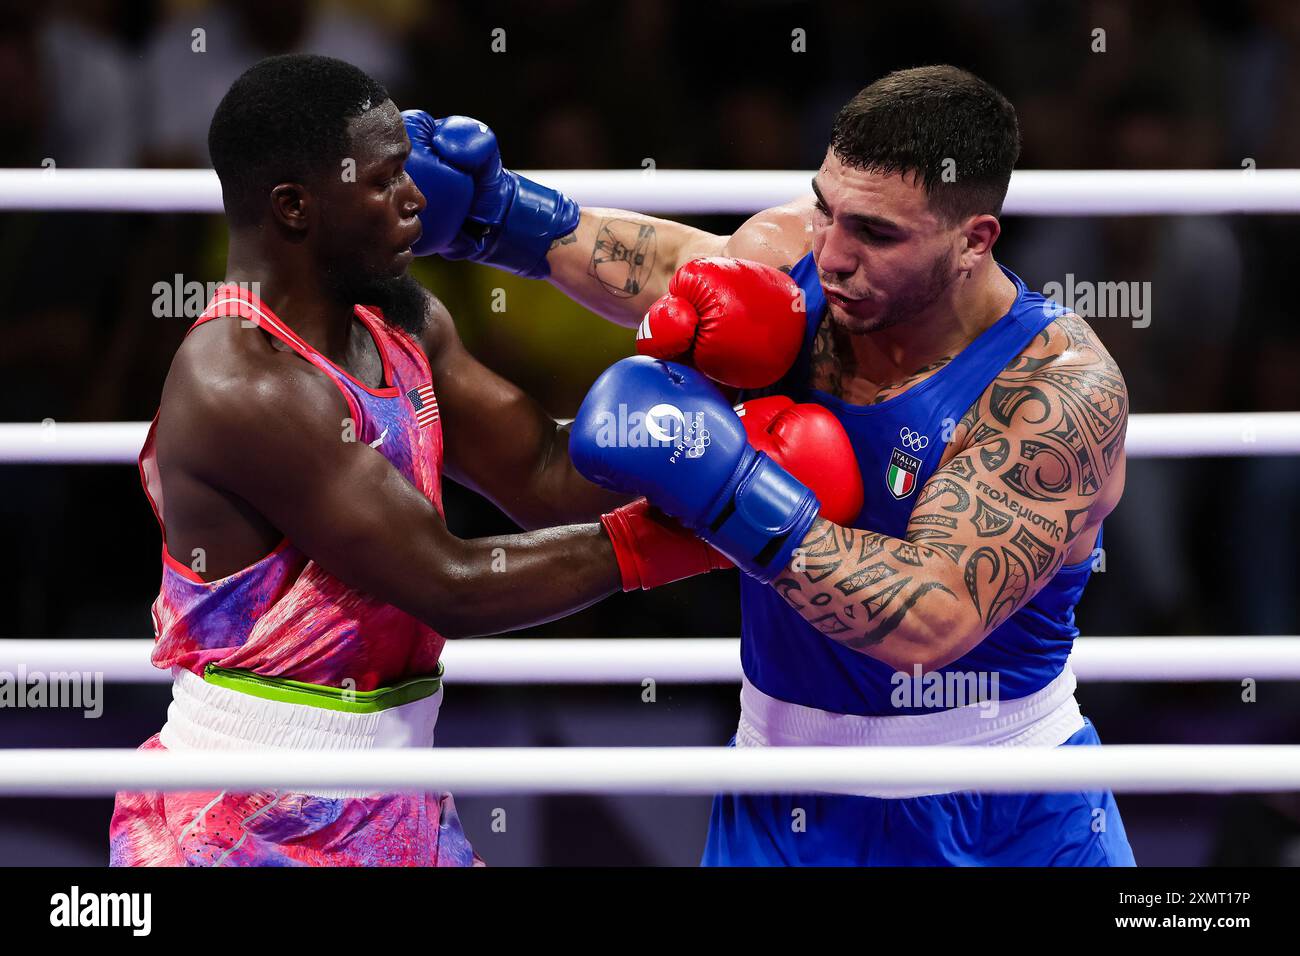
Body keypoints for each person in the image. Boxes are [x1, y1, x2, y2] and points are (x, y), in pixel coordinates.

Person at [109, 54, 859, 866]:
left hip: (397, 795)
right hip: (240, 810)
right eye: (386, 179)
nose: (417, 199)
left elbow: (543, 475)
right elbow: (452, 585)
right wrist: (721, 528)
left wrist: (719, 436)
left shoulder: (403, 319)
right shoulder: (241, 380)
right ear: (295, 206)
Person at [411, 64, 1136, 865]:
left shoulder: (1051, 388)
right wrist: (499, 216)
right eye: (826, 209)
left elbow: (935, 618)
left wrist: (728, 490)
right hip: (782, 797)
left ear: (974, 240)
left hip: (1002, 810)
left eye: (876, 233)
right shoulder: (807, 254)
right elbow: (672, 272)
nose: (832, 255)